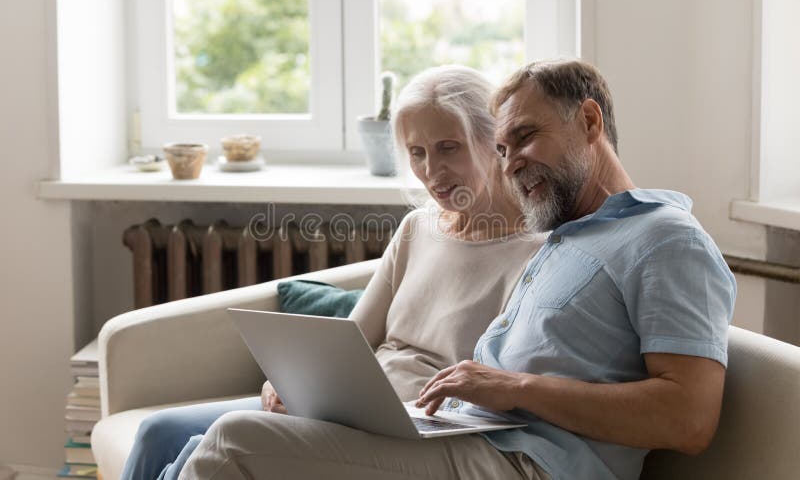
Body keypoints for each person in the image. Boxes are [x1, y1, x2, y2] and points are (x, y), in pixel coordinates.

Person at [180, 59, 735, 480]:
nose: (510, 161)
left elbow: (689, 419)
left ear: (589, 121)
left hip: (527, 463)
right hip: (464, 435)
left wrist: (513, 386)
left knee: (234, 442)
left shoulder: (665, 238)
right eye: (501, 146)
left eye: (525, 137)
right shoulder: (569, 238)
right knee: (206, 442)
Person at [119, 65, 543, 480]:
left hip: (407, 429)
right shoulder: (418, 227)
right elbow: (354, 337)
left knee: (207, 446)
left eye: (448, 147)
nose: (431, 171)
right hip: (346, 407)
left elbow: (500, 386)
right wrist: (289, 383)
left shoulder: (536, 252)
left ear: (494, 141)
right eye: (417, 153)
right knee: (158, 433)